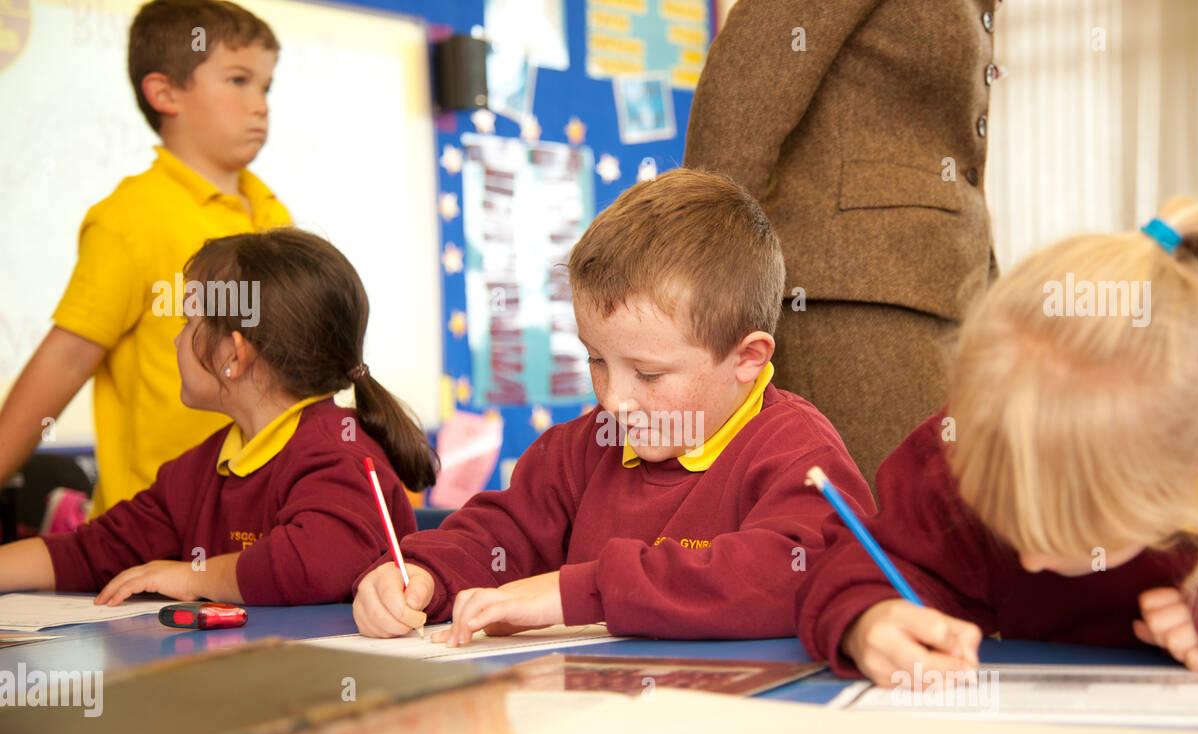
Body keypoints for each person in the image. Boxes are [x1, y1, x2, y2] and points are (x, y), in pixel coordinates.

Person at [352, 169, 875, 643]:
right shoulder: (583, 448)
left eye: (648, 373)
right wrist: (422, 574)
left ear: (748, 359)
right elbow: (497, 536)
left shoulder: (796, 452)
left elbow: (798, 574)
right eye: (597, 360)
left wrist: (578, 591)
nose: (614, 400)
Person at [797, 197, 1198, 683]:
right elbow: (873, 560)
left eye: (1072, 529)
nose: (1031, 561)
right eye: (1007, 521)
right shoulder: (984, 441)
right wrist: (868, 620)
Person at [0, 229, 433, 606]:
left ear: (234, 354)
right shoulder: (200, 469)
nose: (176, 340)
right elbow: (94, 551)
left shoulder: (338, 452)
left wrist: (194, 577)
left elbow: (313, 563)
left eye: (189, 323)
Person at [684, 0, 1000, 482]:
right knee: (883, 534)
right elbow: (739, 106)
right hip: (848, 298)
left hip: (944, 292)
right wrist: (715, 299)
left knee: (943, 526)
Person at [0, 0, 292, 518]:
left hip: (256, 525)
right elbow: (65, 360)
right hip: (152, 532)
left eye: (267, 87)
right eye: (239, 80)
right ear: (165, 92)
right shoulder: (132, 216)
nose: (262, 104)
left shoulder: (274, 215)